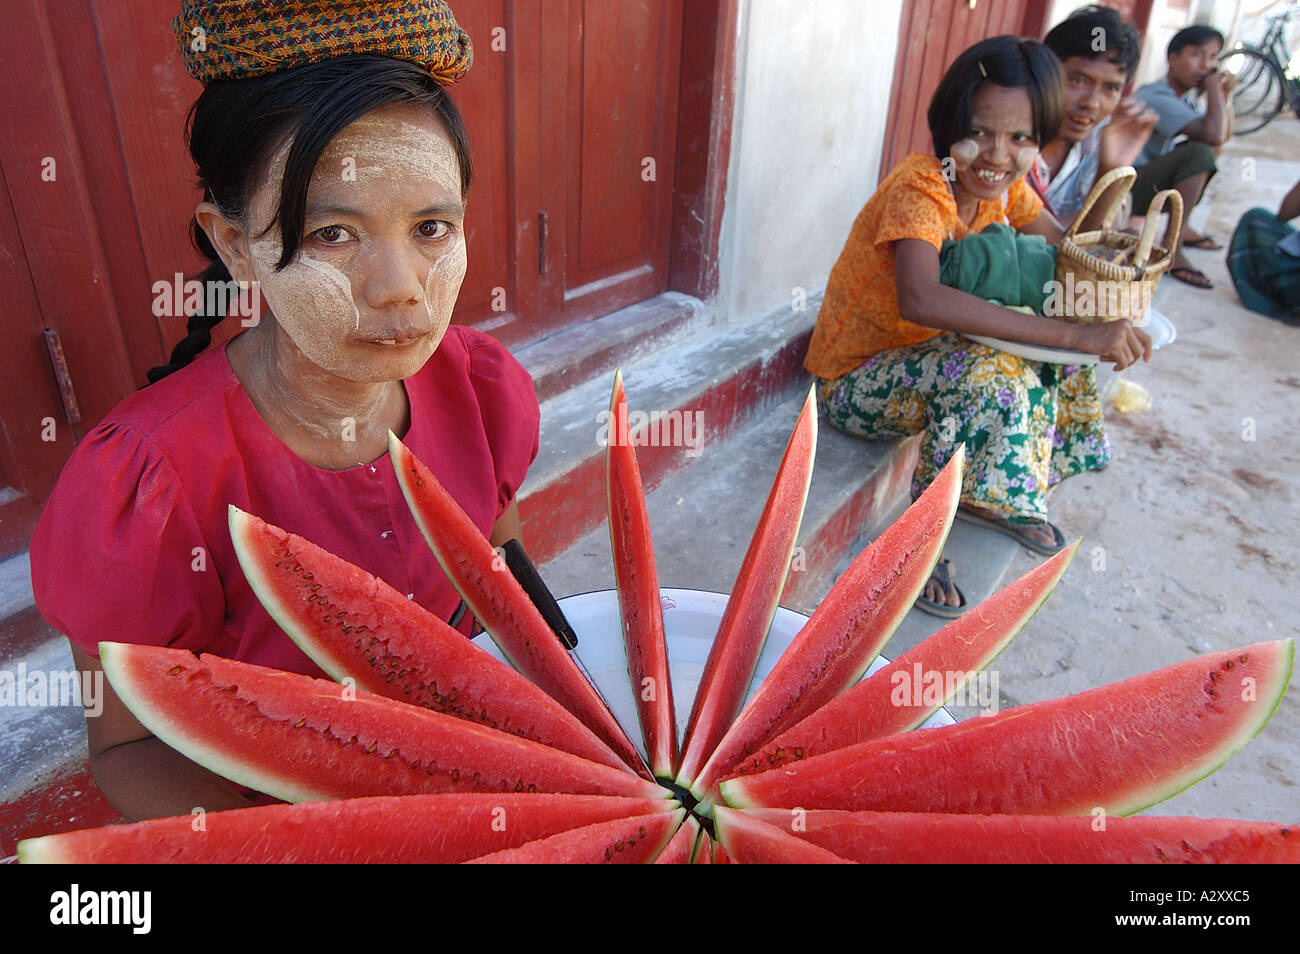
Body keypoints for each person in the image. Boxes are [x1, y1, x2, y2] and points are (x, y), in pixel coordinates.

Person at [28, 0, 540, 820]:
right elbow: (128, 747)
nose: (399, 285)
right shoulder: (143, 484)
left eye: (433, 227)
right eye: (332, 234)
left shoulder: (479, 388)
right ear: (233, 244)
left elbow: (504, 556)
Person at [803, 35, 1151, 617]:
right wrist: (1077, 335)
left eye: (1020, 138)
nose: (996, 154)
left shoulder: (1005, 188)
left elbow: (1069, 252)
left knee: (1052, 339)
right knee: (999, 362)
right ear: (948, 125)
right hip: (854, 383)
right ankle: (912, 548)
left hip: (925, 365)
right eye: (982, 132)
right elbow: (921, 298)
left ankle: (996, 495)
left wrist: (1115, 172)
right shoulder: (923, 185)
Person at [1131, 24, 1239, 289]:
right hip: (1124, 191)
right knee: (1198, 153)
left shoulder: (1185, 101)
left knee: (1204, 151)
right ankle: (1172, 249)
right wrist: (1214, 86)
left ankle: (1183, 226)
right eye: (1198, 55)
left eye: (1213, 58)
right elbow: (1213, 134)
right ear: (1173, 58)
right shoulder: (1156, 95)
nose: (1208, 66)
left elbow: (1221, 138)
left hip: (1144, 186)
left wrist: (1224, 97)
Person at [1031, 5, 1158, 224]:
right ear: (1045, 72)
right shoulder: (1008, 140)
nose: (1091, 103)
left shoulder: (1100, 145)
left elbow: (1099, 237)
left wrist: (1111, 171)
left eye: (1110, 88)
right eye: (1078, 80)